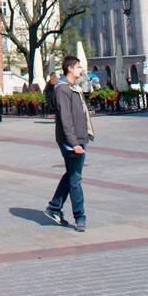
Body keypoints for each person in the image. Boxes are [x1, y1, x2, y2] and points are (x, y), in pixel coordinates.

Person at [45, 55, 93, 233]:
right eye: (79, 67)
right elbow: (65, 118)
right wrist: (74, 143)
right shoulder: (63, 89)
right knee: (75, 178)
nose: (81, 70)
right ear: (70, 69)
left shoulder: (73, 87)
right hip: (71, 141)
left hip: (79, 138)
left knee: (72, 174)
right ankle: (80, 216)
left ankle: (54, 207)